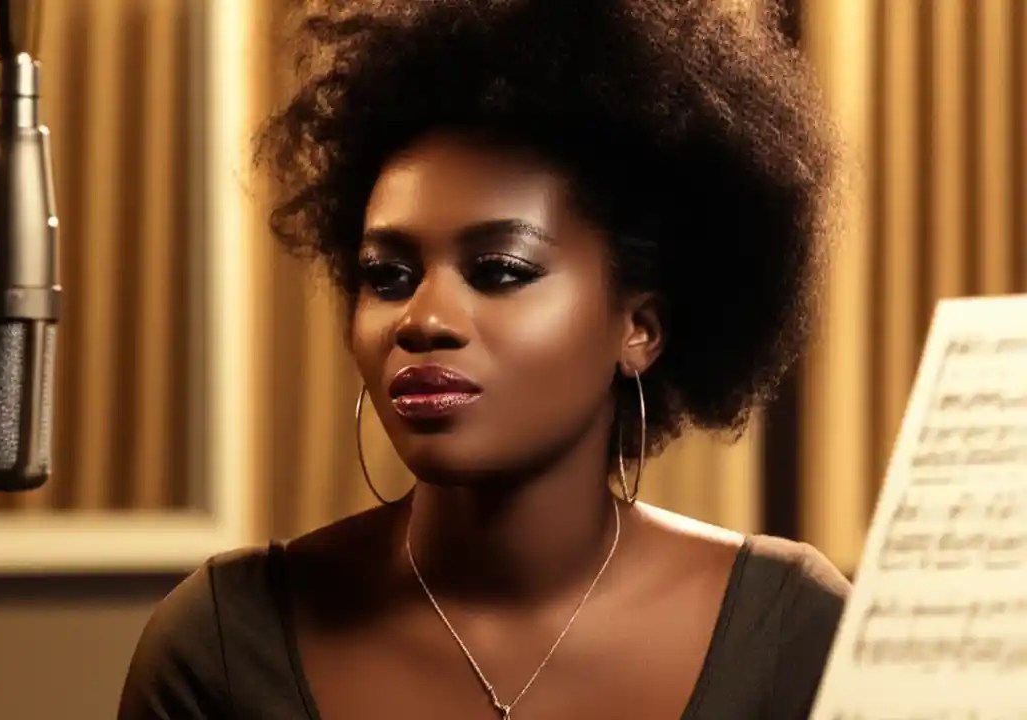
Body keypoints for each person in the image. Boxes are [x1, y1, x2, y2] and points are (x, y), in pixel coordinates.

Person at [119, 1, 848, 718]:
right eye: (387, 277)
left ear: (640, 328)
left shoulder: (791, 634)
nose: (423, 320)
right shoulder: (221, 648)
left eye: (499, 270)